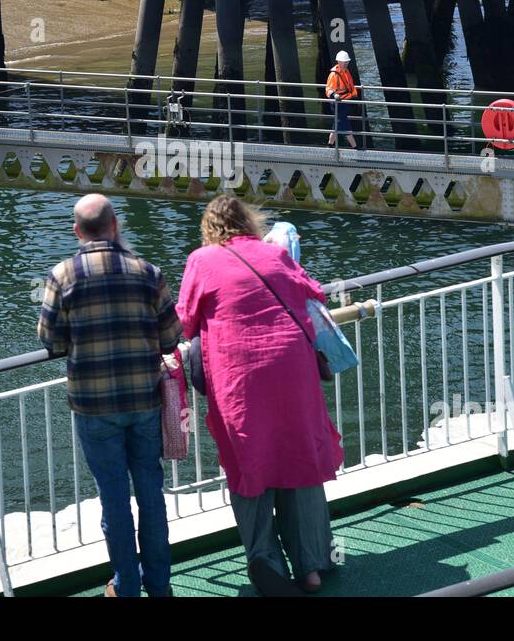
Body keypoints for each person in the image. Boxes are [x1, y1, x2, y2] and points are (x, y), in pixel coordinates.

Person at [176, 195, 343, 596]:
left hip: (240, 375)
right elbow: (314, 292)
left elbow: (185, 320)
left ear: (209, 228)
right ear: (249, 221)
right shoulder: (275, 254)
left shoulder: (202, 259)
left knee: (249, 463)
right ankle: (312, 567)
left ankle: (265, 561)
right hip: (292, 369)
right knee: (298, 460)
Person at [37, 194, 181, 597]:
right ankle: (160, 585)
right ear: (115, 225)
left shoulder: (62, 276)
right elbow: (172, 337)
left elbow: (50, 340)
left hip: (93, 406)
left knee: (114, 498)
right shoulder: (148, 273)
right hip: (144, 400)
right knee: (151, 492)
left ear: (76, 231)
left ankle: (126, 585)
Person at [324, 50, 358, 149]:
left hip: (345, 101)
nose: (346, 63)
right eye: (344, 61)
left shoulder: (346, 72)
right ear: (338, 62)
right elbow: (328, 89)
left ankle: (330, 144)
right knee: (344, 123)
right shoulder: (334, 75)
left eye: (347, 61)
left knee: (337, 123)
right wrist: (334, 95)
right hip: (337, 103)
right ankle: (354, 146)